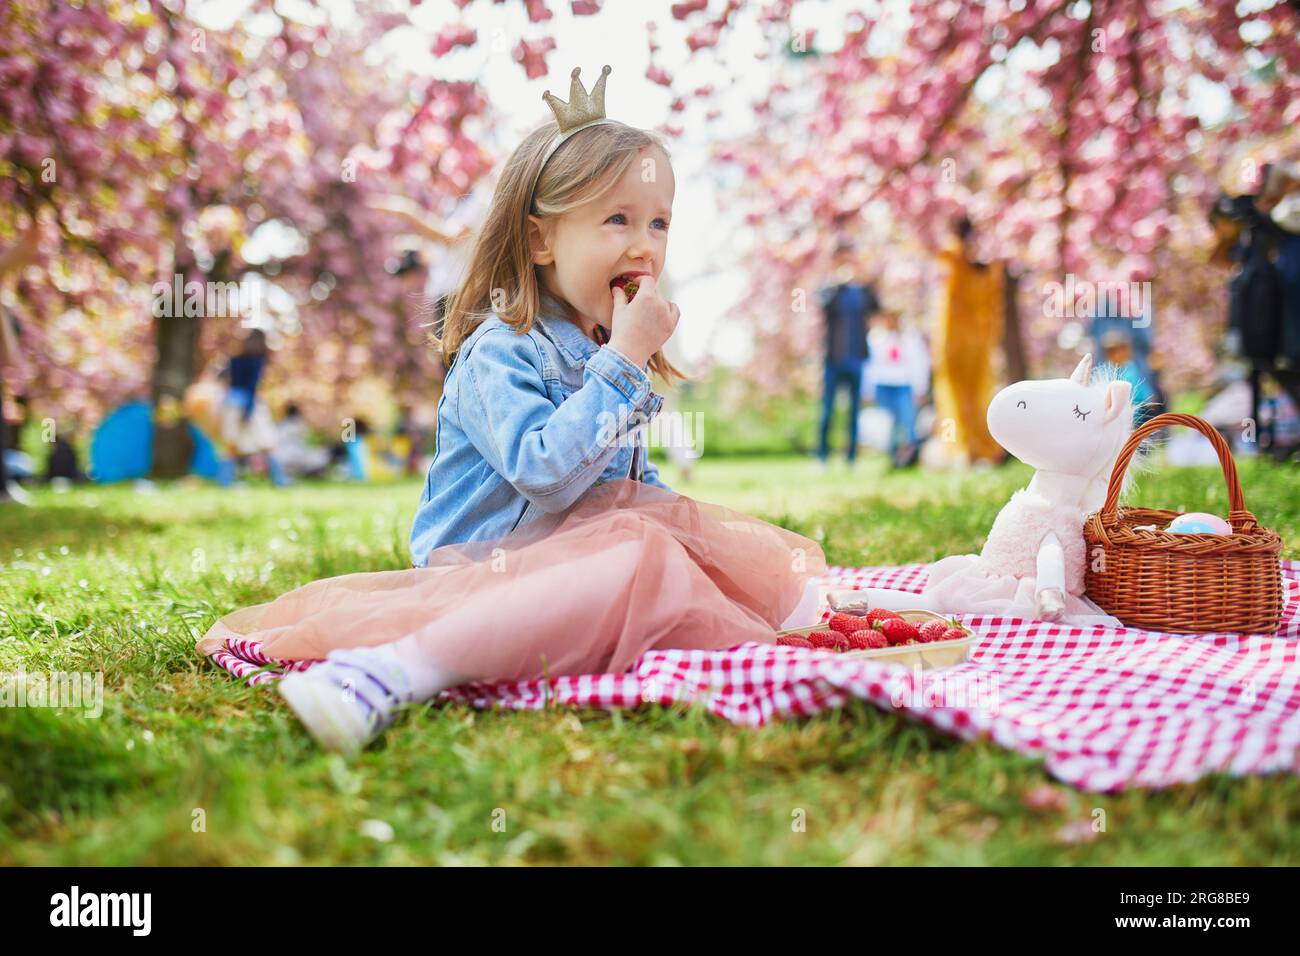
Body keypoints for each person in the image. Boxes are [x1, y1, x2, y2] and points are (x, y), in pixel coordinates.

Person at [196, 65, 828, 757]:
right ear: (538, 241)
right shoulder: (504, 351)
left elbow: (630, 495)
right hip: (484, 577)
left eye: (658, 222)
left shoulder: (602, 349)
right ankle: (390, 671)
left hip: (574, 567)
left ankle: (833, 614)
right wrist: (622, 365)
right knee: (642, 547)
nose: (644, 243)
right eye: (615, 219)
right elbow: (548, 476)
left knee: (681, 550)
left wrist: (705, 547)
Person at [924, 215, 1006, 469]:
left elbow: (936, 251)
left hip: (955, 341)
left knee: (957, 394)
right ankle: (983, 449)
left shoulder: (955, 259)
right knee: (980, 393)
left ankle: (965, 449)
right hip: (980, 341)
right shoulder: (991, 268)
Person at [815, 240, 879, 470]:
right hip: (834, 358)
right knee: (827, 412)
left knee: (854, 412)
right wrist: (839, 283)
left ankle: (851, 459)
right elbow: (824, 306)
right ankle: (821, 457)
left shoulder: (860, 290)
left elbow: (876, 306)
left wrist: (866, 281)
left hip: (856, 358)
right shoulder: (827, 287)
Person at [216, 329, 289, 487]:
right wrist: (247, 411)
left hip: (231, 402)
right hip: (250, 404)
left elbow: (222, 377)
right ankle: (280, 480)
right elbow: (251, 387)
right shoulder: (257, 360)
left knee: (231, 444)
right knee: (268, 442)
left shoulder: (234, 360)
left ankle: (224, 481)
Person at [864, 308, 930, 468]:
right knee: (890, 424)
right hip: (884, 386)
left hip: (904, 385)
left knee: (907, 422)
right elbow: (870, 366)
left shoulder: (910, 339)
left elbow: (919, 364)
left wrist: (920, 388)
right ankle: (894, 456)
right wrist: (868, 390)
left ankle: (908, 456)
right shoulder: (876, 339)